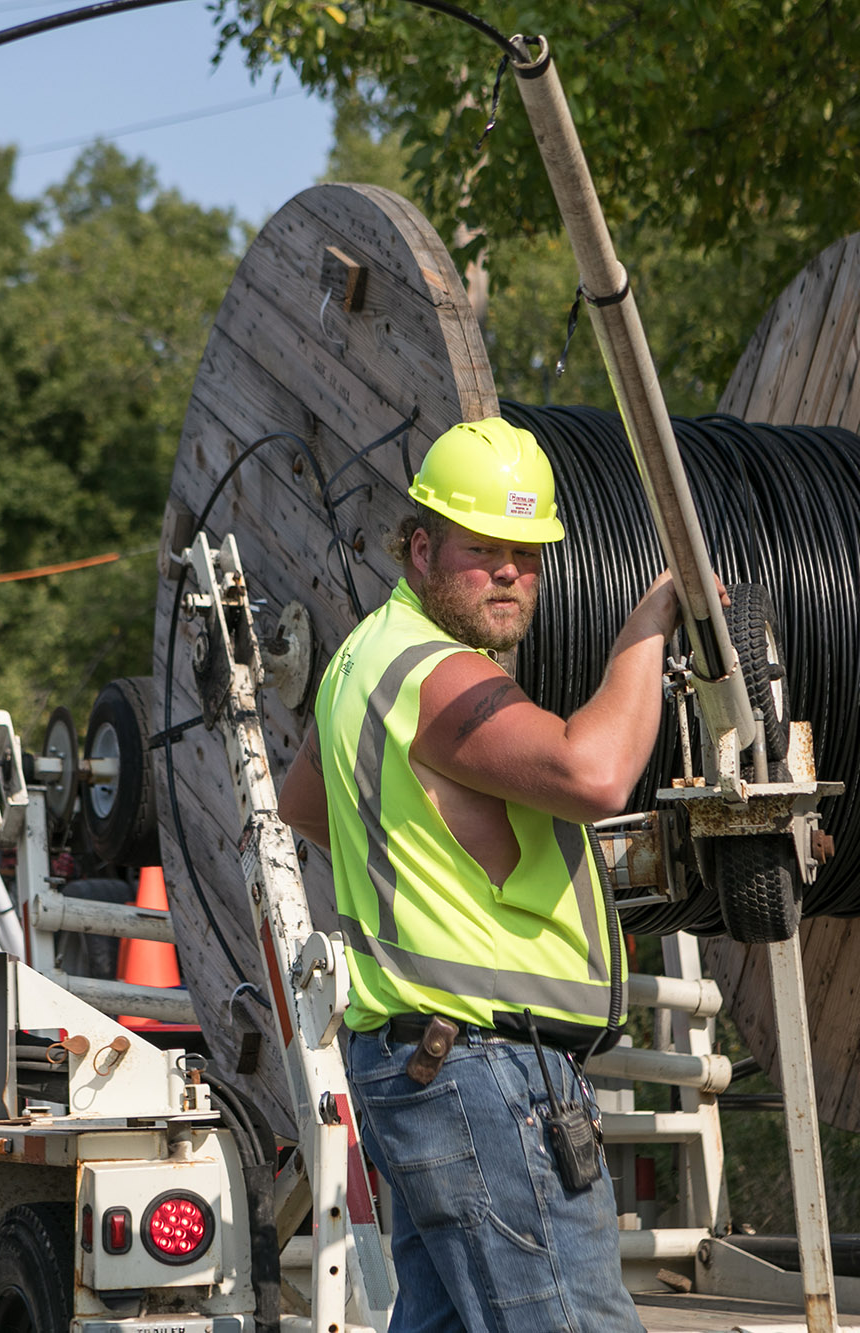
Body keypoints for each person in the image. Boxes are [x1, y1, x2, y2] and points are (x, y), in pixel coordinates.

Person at [279, 418, 697, 1333]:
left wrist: (447, 854)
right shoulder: (435, 671)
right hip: (481, 1071)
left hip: (423, 1065)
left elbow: (308, 803)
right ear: (422, 548)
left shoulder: (362, 658)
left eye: (527, 553)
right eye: (483, 550)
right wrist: (649, 624)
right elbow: (592, 774)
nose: (509, 571)